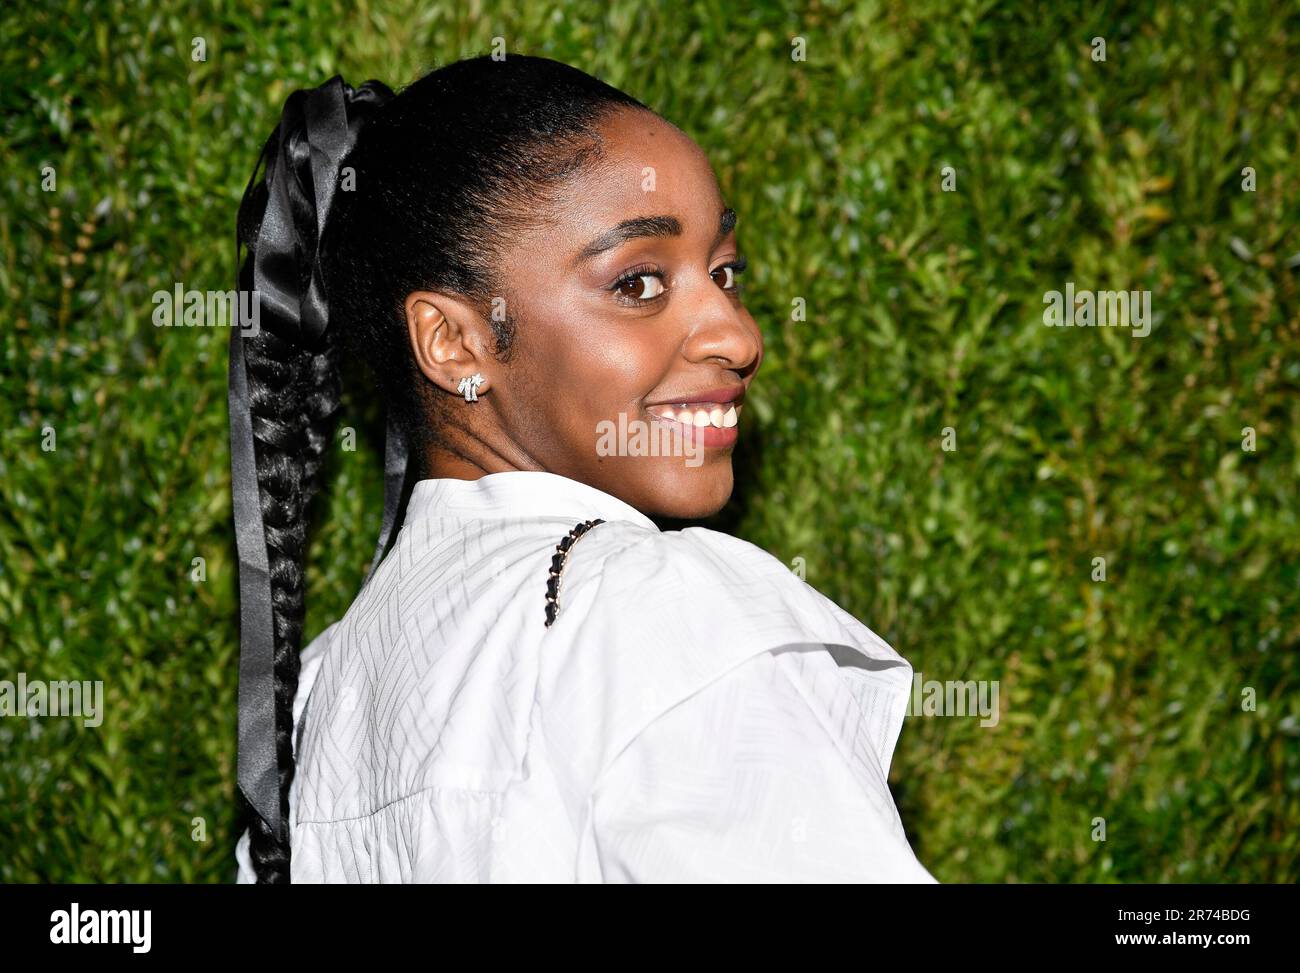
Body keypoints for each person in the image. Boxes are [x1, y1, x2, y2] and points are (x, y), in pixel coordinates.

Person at [230, 53, 935, 883]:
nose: (740, 338)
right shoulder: (646, 617)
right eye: (638, 283)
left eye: (725, 273)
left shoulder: (322, 696)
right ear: (456, 344)